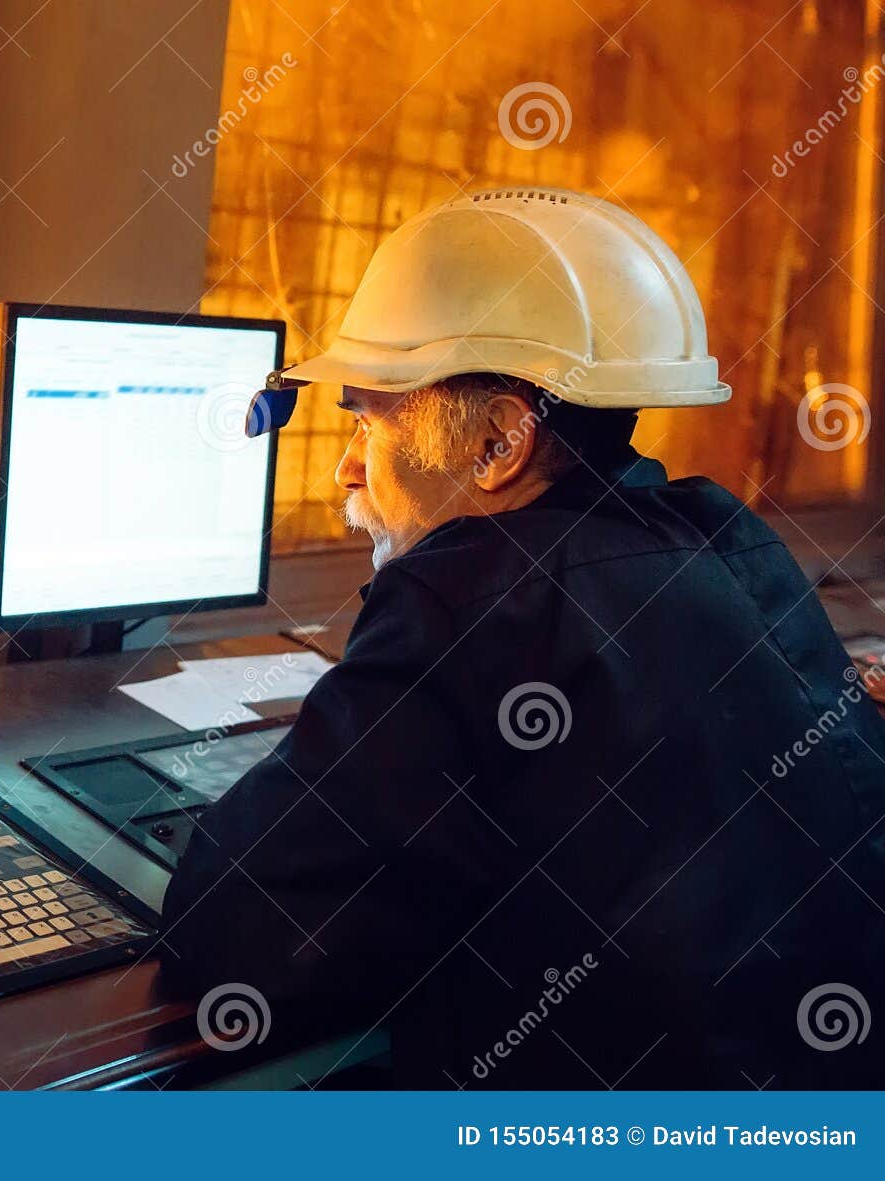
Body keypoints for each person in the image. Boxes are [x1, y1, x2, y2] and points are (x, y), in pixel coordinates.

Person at [161, 187, 885, 1087]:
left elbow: (229, 936)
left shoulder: (466, 596)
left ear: (499, 442)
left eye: (366, 418)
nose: (348, 465)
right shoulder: (727, 536)